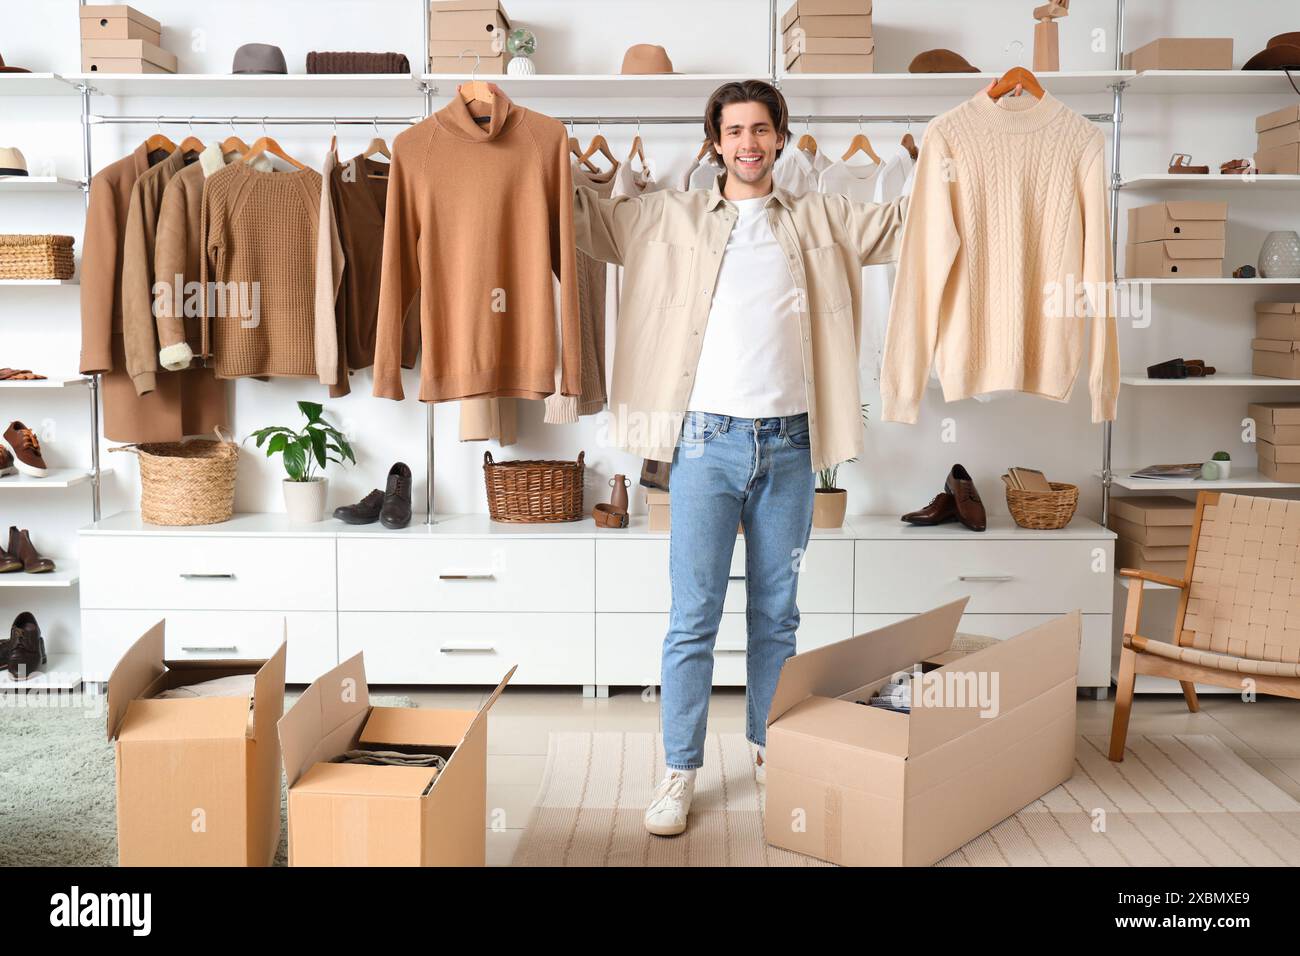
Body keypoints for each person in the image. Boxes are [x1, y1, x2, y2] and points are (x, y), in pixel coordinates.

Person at [573, 79, 909, 836]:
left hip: (789, 445)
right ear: (714, 142)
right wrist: (542, 154)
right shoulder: (668, 215)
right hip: (704, 445)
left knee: (776, 616)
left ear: (782, 137)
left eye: (761, 129)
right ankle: (679, 772)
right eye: (734, 132)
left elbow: (902, 226)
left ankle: (767, 747)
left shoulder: (821, 216)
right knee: (693, 616)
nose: (748, 143)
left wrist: (960, 158)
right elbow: (586, 223)